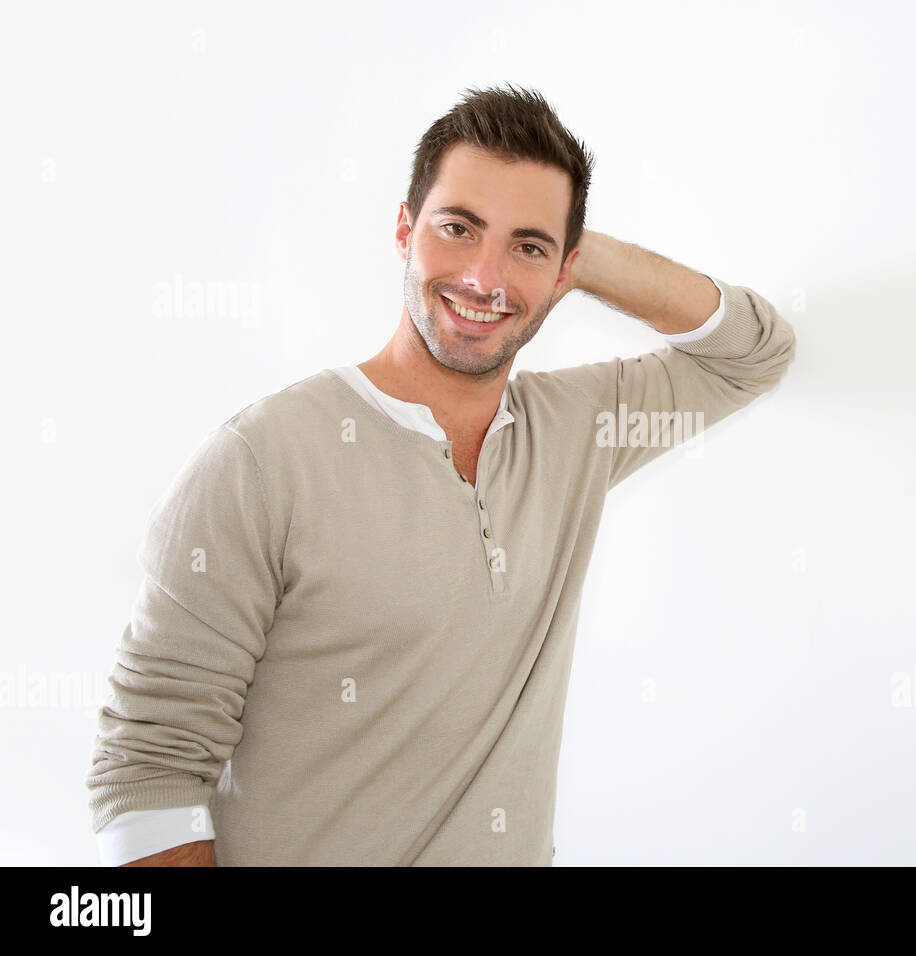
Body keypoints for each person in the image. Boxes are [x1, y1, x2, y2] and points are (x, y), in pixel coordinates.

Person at [86, 84, 796, 866]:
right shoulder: (263, 459)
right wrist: (541, 244)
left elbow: (753, 353)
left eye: (527, 246)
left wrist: (577, 256)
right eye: (459, 228)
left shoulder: (578, 430)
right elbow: (147, 770)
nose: (485, 278)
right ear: (404, 230)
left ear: (567, 270)